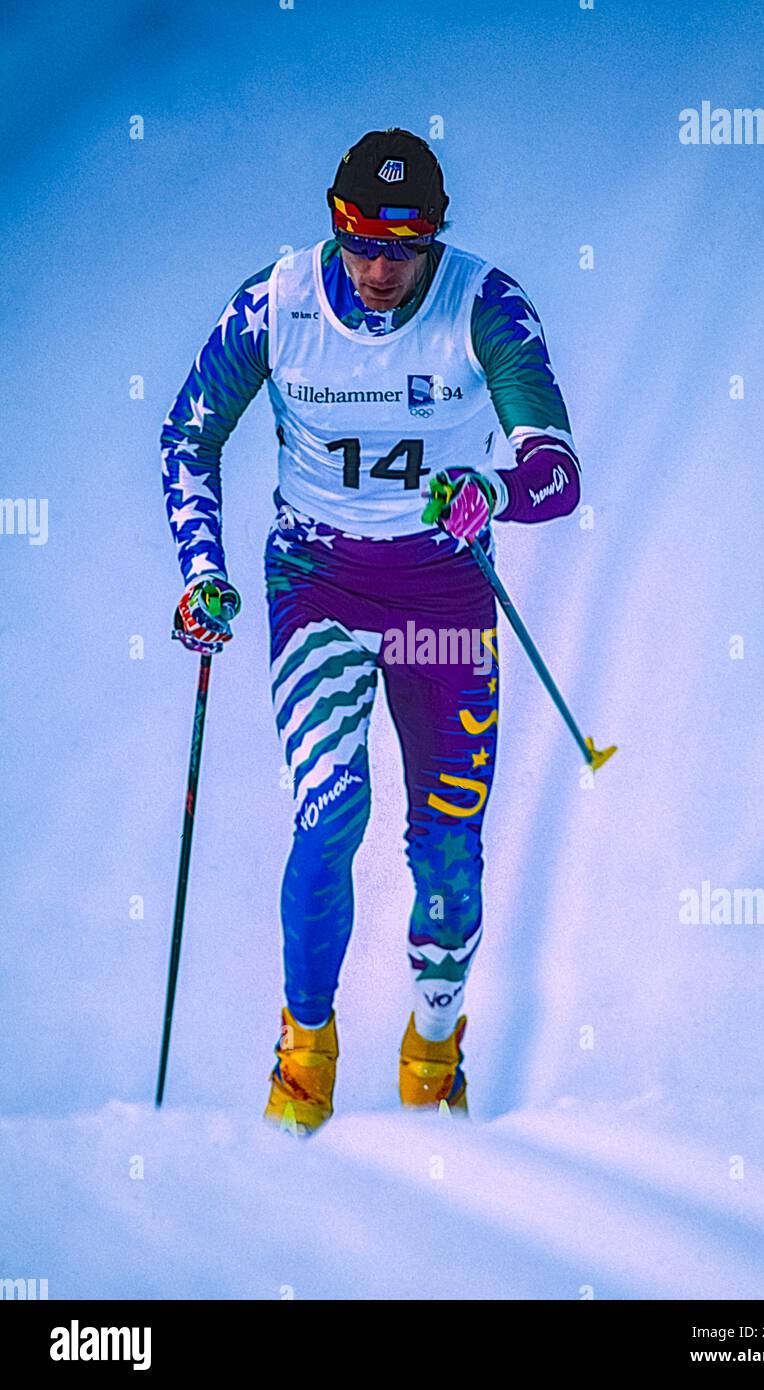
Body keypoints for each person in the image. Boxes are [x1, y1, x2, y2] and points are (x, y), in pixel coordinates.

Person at [161, 128, 581, 1134]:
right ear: (333, 224)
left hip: (440, 600)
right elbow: (189, 432)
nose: (382, 267)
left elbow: (558, 473)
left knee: (445, 849)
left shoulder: (482, 303)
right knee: (331, 809)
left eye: (407, 243)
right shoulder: (276, 304)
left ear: (436, 238)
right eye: (361, 240)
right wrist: (204, 574)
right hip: (319, 582)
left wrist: (492, 488)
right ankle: (304, 1059)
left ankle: (432, 1054)